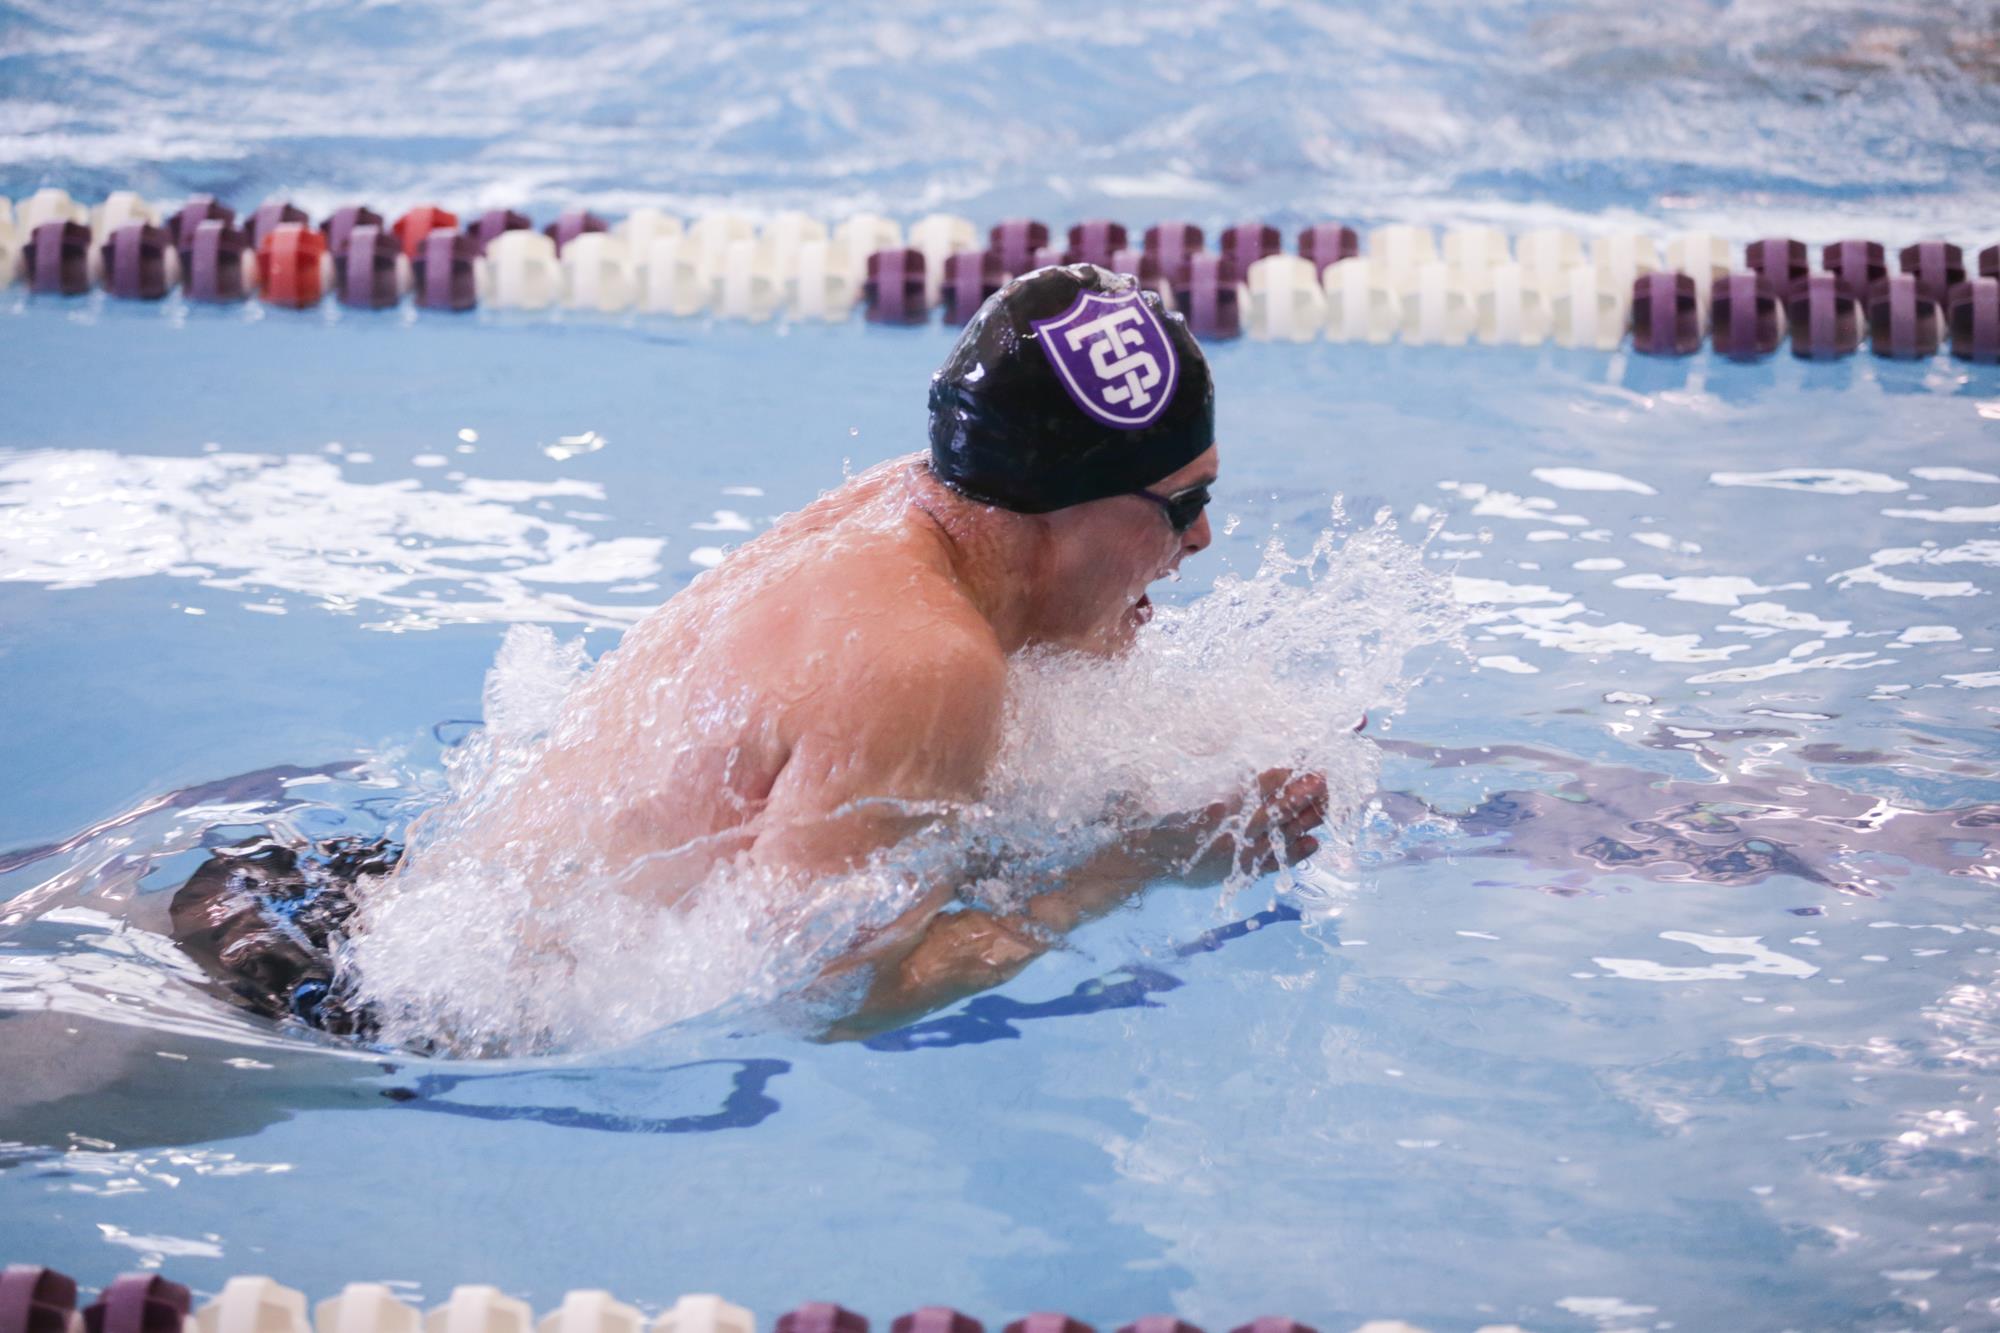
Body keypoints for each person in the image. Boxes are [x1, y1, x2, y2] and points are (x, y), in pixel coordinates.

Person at [176, 263, 1329, 1037]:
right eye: (1178, 509)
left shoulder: (903, 517)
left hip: (332, 897)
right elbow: (826, 1000)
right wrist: (1137, 863)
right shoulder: (926, 665)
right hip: (351, 1013)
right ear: (1066, 506)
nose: (1202, 541)